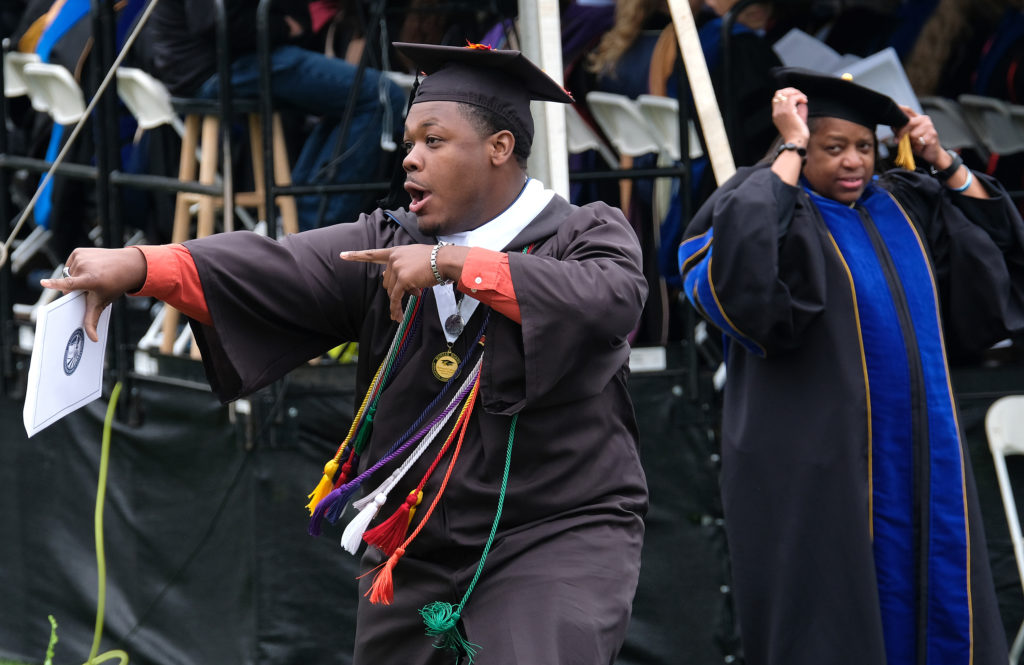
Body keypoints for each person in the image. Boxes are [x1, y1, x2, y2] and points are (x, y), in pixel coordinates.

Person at [43, 42, 649, 664]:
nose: (409, 158)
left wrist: (455, 265)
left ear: (499, 147)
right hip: (416, 546)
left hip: (551, 536)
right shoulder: (388, 242)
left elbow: (608, 299)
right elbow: (277, 267)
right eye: (410, 140)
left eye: (433, 141)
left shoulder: (584, 234)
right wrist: (140, 266)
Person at [678, 67, 1023, 665]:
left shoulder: (903, 206)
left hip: (921, 452)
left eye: (864, 147)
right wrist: (787, 146)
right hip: (821, 462)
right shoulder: (774, 209)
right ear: (799, 149)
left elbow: (995, 246)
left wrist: (941, 157)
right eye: (831, 147)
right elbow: (739, 279)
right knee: (835, 616)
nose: (853, 162)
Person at [148, 0, 408, 231]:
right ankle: (314, 230)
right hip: (217, 65)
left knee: (355, 100)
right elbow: (216, 20)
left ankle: (300, 222)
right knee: (382, 96)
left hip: (203, 65)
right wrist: (283, 27)